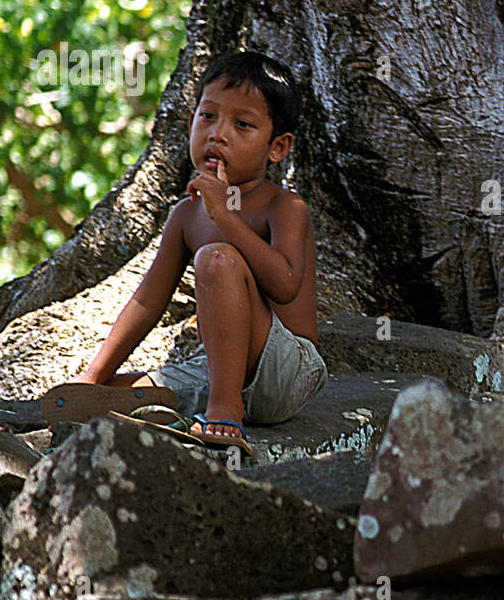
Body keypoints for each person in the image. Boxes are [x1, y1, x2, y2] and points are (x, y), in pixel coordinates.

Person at [68, 51, 327, 452]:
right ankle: (130, 406)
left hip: (286, 371)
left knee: (216, 259)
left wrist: (224, 214)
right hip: (222, 369)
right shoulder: (186, 216)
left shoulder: (285, 207)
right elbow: (148, 301)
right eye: (207, 116)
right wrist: (93, 377)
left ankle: (224, 415)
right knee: (119, 390)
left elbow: (286, 284)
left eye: (242, 124)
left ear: (278, 147)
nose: (218, 134)